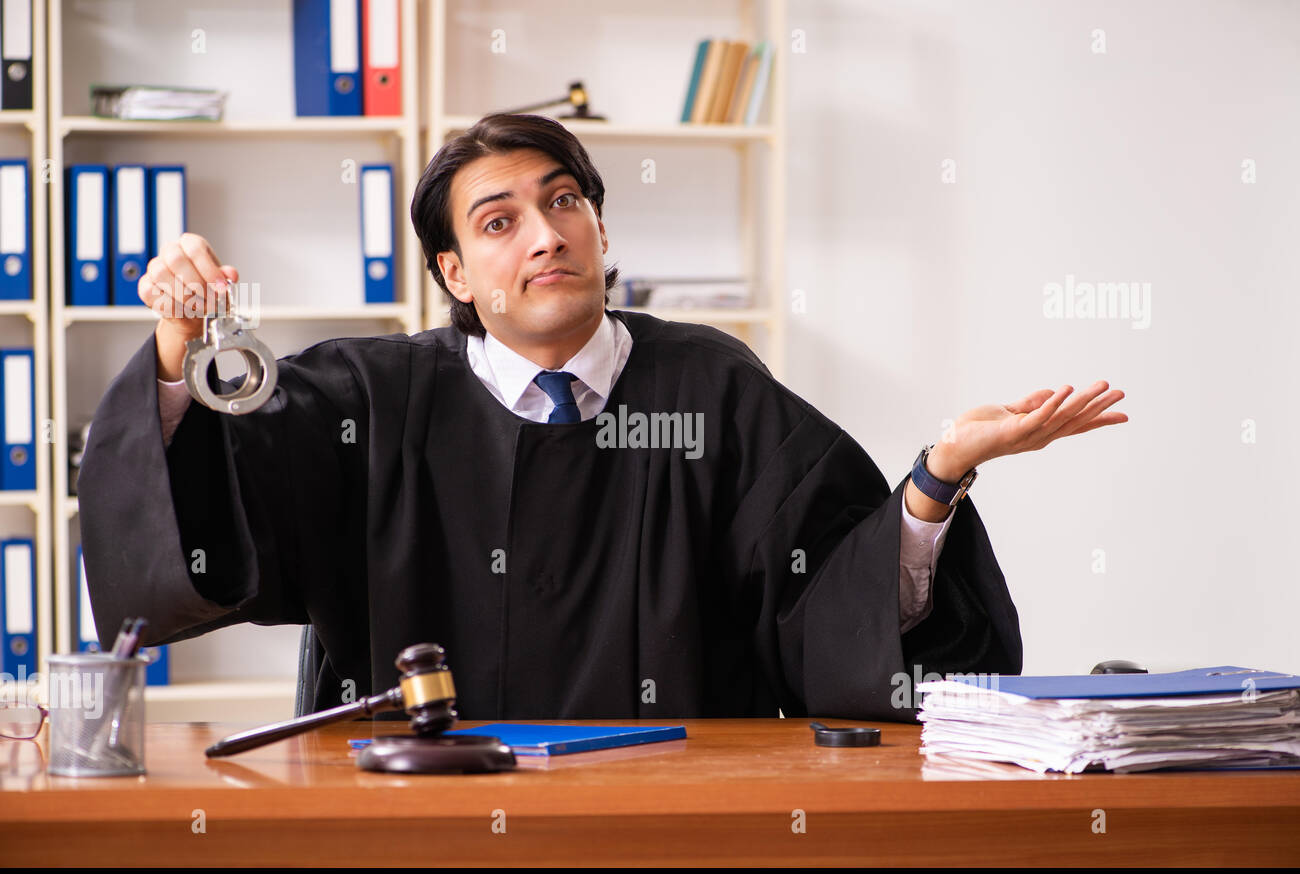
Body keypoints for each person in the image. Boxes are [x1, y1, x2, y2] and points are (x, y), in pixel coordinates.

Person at [78, 113, 1126, 721]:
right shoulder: (369, 399)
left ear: (600, 226)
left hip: (667, 830)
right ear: (454, 272)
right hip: (411, 822)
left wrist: (936, 479)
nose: (544, 233)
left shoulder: (713, 390)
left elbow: (828, 605)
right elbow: (214, 521)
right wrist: (179, 351)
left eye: (564, 200)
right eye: (500, 221)